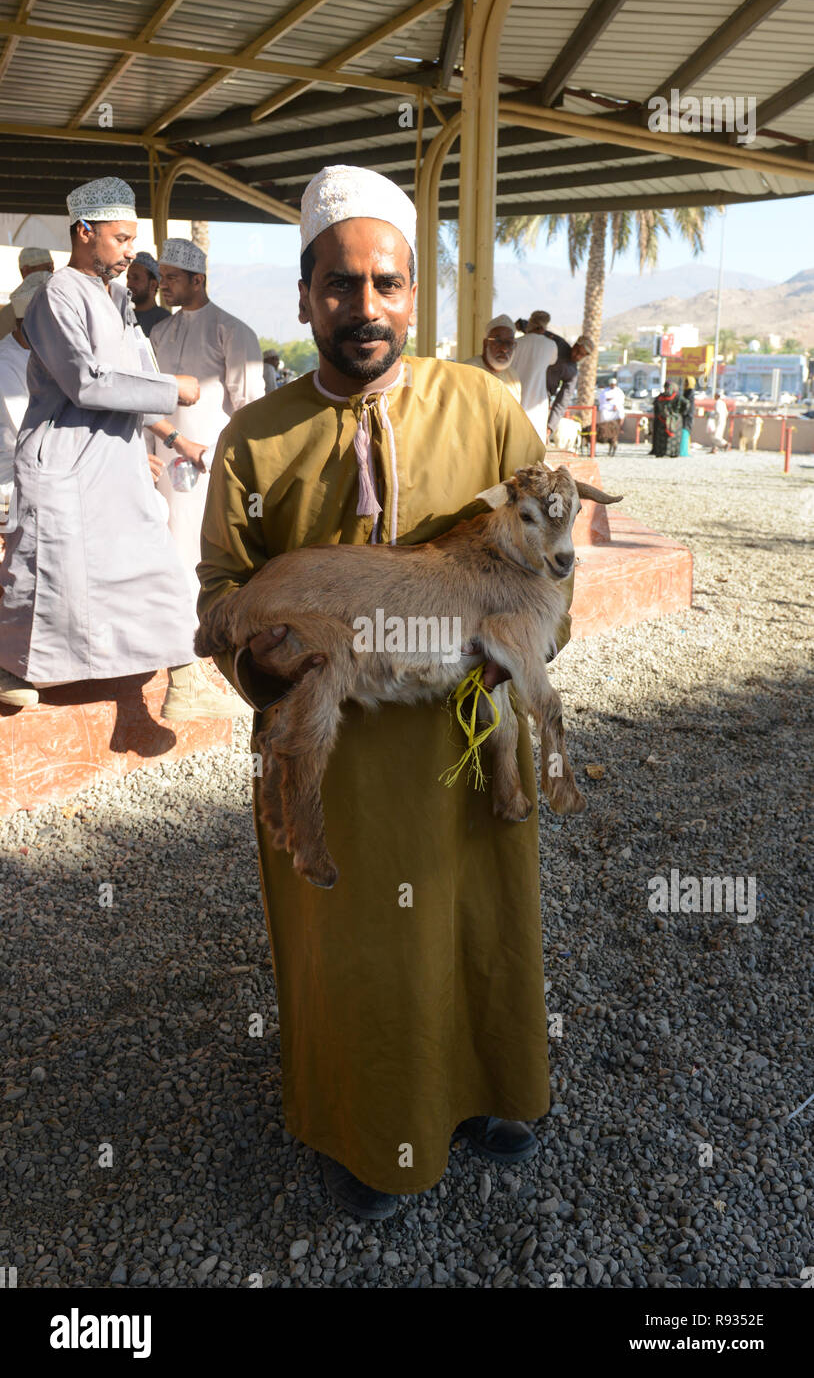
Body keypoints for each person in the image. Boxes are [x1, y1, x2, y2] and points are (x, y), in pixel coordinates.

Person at [198, 163, 575, 1220]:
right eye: (340, 284)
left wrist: (520, 652)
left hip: (464, 739)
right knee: (356, 940)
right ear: (307, 292)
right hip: (341, 752)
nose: (366, 307)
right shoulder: (254, 438)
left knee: (480, 917)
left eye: (388, 284)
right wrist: (264, 662)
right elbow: (221, 592)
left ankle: (499, 1092)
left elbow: (553, 558)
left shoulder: (488, 406)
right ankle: (371, 1135)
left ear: (412, 291)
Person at [0, 176, 206, 710]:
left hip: (117, 464)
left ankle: (184, 680)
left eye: (133, 240)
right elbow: (88, 381)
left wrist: (169, 435)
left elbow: (133, 381)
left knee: (153, 561)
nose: (131, 252)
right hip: (63, 464)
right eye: (121, 238)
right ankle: (14, 669)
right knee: (47, 574)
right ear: (85, 232)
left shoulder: (117, 299)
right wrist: (172, 389)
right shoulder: (53, 298)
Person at [145, 237, 263, 721]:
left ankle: (201, 660)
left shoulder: (232, 332)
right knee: (163, 554)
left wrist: (216, 459)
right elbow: (147, 401)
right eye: (163, 277)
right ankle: (174, 659)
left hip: (209, 469)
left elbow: (249, 409)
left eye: (173, 278)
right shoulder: (158, 335)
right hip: (161, 464)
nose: (164, 284)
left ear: (198, 280)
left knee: (200, 557)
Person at [0, 271, 49, 522]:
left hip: (41, 480)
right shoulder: (5, 364)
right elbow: (28, 434)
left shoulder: (43, 352)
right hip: (8, 489)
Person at [510, 323, 558, 441]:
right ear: (544, 327)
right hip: (537, 400)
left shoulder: (517, 343)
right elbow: (553, 361)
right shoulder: (550, 344)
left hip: (514, 396)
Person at [463, 312, 521, 402]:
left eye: (509, 343)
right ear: (486, 343)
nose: (504, 349)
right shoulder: (467, 371)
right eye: (498, 341)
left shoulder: (513, 377)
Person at [0, 246, 54, 341]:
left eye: (51, 267)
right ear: (26, 270)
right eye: (47, 268)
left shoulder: (60, 301)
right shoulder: (9, 313)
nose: (50, 272)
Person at [547, 334, 593, 443]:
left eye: (582, 355)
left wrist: (549, 427)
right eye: (577, 351)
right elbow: (538, 330)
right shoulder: (558, 343)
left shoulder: (572, 373)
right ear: (575, 345)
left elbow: (562, 402)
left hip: (543, 398)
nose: (577, 356)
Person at [126, 250, 170, 337]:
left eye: (135, 278)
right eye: (128, 278)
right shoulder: (124, 317)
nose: (129, 284)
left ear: (153, 285)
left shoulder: (165, 322)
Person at [651, 380, 686, 458]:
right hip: (664, 420)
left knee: (673, 437)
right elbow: (655, 405)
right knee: (662, 438)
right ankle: (663, 452)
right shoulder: (661, 396)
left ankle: (671, 453)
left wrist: (679, 413)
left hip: (673, 420)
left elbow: (686, 404)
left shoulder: (676, 396)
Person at [596, 375, 626, 456]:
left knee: (621, 413)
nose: (612, 385)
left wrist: (616, 404)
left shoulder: (619, 391)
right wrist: (608, 401)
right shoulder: (605, 391)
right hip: (607, 407)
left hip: (615, 407)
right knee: (604, 413)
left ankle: (620, 427)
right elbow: (601, 400)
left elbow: (621, 400)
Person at [709, 389, 730, 453]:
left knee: (715, 436)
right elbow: (726, 413)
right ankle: (714, 448)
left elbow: (717, 412)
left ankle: (725, 444)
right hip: (723, 421)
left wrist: (711, 414)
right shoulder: (723, 403)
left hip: (718, 421)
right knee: (718, 434)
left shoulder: (718, 402)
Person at [679, 376, 696, 456]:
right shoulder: (687, 392)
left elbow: (687, 405)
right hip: (686, 416)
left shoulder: (689, 392)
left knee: (685, 432)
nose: (685, 384)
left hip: (687, 416)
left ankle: (684, 451)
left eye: (687, 382)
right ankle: (684, 450)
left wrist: (683, 412)